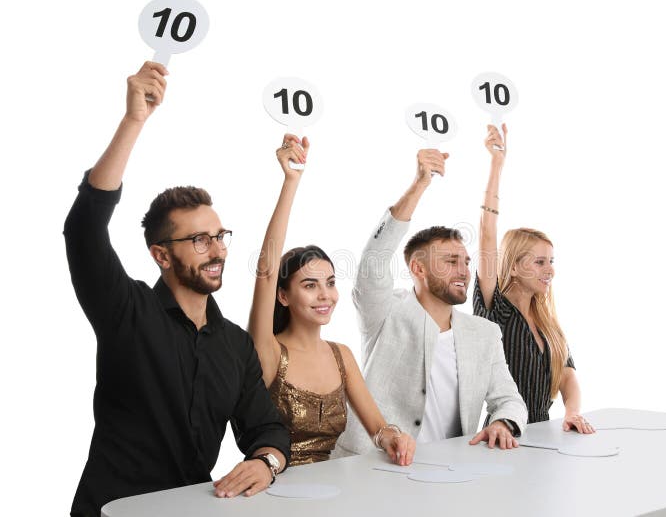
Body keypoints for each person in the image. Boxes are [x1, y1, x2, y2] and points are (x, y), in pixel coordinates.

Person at [64, 62, 290, 517]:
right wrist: (134, 121)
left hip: (194, 509)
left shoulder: (234, 345)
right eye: (198, 240)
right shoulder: (126, 311)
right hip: (109, 509)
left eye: (219, 236)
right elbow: (84, 229)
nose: (216, 251)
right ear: (161, 255)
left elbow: (266, 427)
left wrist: (267, 462)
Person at [335, 148, 528, 457]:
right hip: (371, 469)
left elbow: (509, 400)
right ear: (418, 269)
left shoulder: (484, 333)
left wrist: (503, 423)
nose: (464, 270)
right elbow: (374, 261)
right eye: (451, 261)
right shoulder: (385, 312)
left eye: (465, 261)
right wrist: (419, 183)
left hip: (448, 475)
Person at [248, 134, 415, 466]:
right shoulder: (268, 349)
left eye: (330, 282)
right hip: (270, 489)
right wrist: (291, 182)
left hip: (330, 490)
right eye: (310, 285)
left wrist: (393, 436)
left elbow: (378, 429)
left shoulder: (341, 355)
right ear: (283, 295)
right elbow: (267, 272)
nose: (325, 294)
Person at [473, 124, 594, 433]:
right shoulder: (494, 309)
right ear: (512, 266)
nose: (549, 270)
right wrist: (496, 164)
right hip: (504, 435)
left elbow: (567, 375)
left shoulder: (546, 321)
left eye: (551, 261)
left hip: (547, 435)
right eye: (539, 262)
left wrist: (572, 412)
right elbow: (487, 232)